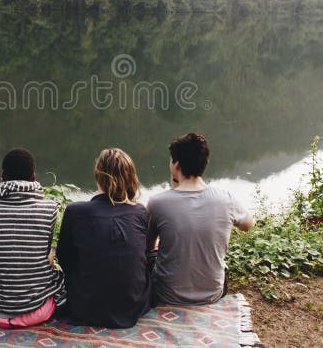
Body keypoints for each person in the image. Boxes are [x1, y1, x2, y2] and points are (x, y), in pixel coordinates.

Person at [147, 132, 254, 306]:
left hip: (167, 295)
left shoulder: (158, 203)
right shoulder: (226, 199)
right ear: (205, 163)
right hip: (213, 293)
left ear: (176, 165)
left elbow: (148, 246)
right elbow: (248, 225)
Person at [56, 148, 152, 328]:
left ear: (98, 175)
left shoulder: (75, 212)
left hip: (85, 307)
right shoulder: (139, 212)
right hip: (132, 306)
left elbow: (65, 259)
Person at [0, 148, 66, 328]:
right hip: (38, 310)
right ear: (33, 177)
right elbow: (45, 253)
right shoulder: (50, 209)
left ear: (3, 177)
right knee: (56, 269)